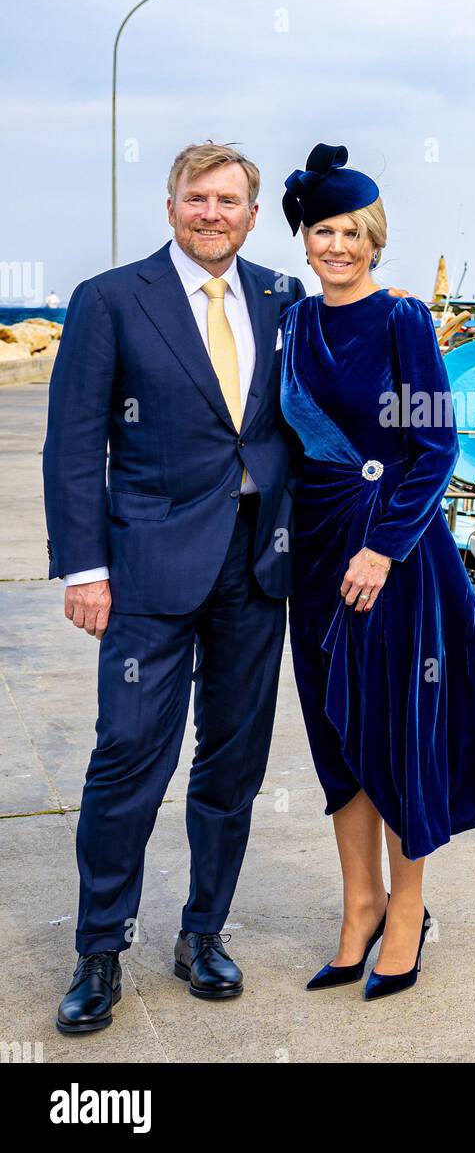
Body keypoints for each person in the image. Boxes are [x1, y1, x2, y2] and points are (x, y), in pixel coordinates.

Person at [43, 142, 304, 1034]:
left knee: (233, 763)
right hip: (149, 570)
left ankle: (203, 932)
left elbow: (302, 428)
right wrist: (85, 567)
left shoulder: (281, 297)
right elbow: (74, 445)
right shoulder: (110, 300)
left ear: (252, 215)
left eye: (229, 200)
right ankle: (99, 949)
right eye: (198, 198)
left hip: (256, 568)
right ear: (170, 207)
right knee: (127, 760)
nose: (212, 213)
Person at [279, 144, 475, 1001]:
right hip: (315, 552)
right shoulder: (295, 326)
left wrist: (381, 548)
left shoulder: (403, 320)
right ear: (304, 239)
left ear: (375, 240)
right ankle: (359, 907)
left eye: (351, 231)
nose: (336, 245)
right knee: (333, 736)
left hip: (391, 556)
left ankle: (410, 911)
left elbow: (436, 448)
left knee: (393, 731)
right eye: (322, 230)